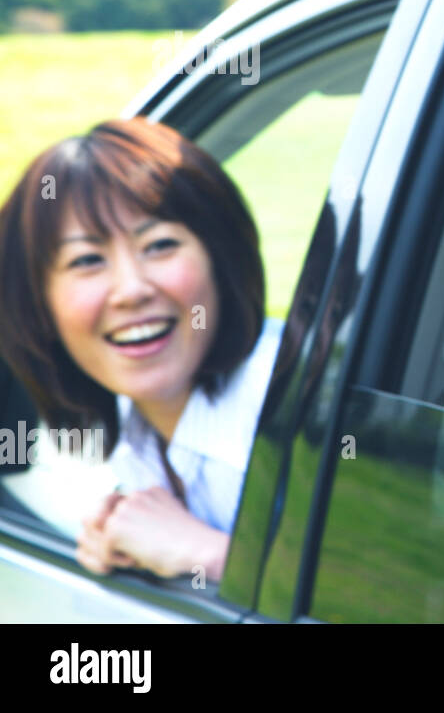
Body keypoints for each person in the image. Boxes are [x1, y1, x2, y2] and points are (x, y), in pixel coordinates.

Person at [0, 118, 281, 582]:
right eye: (87, 260)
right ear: (39, 306)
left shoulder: (303, 410)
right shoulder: (133, 431)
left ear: (221, 259)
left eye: (160, 245)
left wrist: (209, 554)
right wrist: (120, 539)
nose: (131, 290)